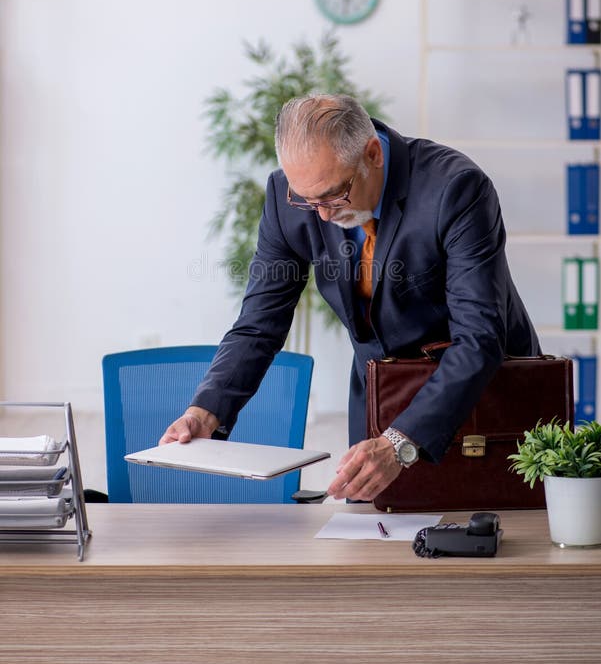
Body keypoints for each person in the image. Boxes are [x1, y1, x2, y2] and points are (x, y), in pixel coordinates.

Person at [160, 94, 539, 502]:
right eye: (305, 199)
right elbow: (258, 325)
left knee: (494, 534)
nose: (320, 214)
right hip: (380, 399)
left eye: (332, 195)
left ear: (372, 154)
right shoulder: (287, 199)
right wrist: (204, 412)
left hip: (484, 394)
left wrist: (400, 442)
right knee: (373, 543)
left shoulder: (456, 189)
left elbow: (479, 337)